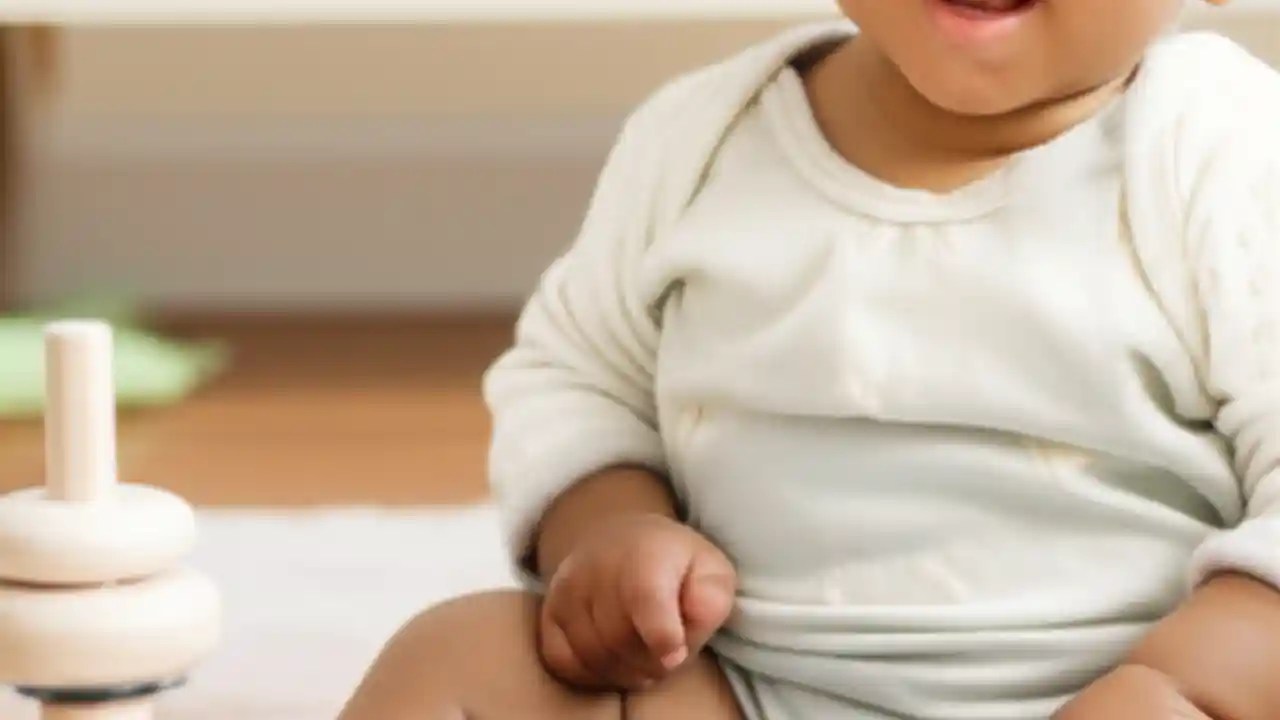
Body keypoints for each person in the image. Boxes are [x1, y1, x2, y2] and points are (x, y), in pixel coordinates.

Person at [341, 0, 1280, 717]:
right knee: (459, 659)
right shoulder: (703, 139)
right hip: (741, 689)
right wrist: (607, 530)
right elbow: (580, 378)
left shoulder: (1221, 149)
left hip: (1112, 687)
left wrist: (1182, 684)